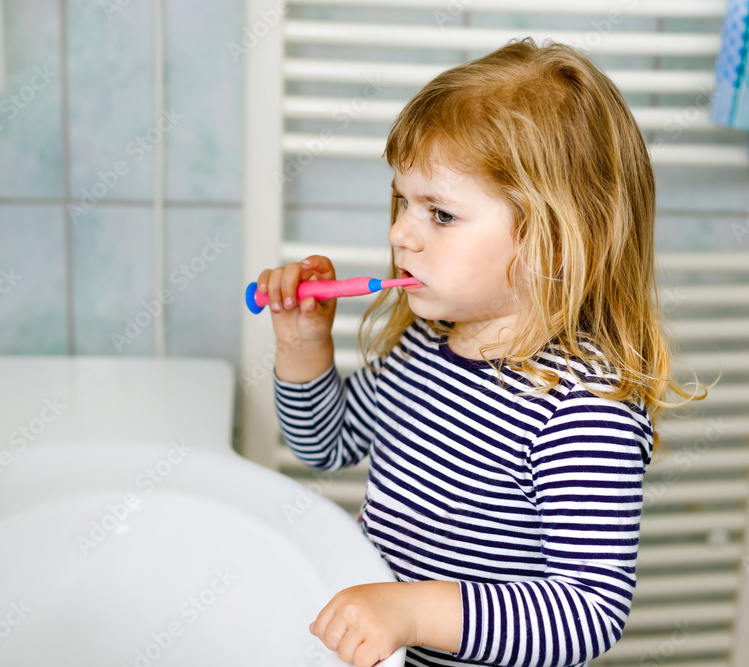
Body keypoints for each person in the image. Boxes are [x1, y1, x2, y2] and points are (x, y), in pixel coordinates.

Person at [255, 37, 707, 667]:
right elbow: (323, 446)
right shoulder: (427, 345)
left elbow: (590, 609)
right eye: (402, 203)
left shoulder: (581, 411)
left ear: (551, 240)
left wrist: (410, 609)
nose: (398, 234)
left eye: (439, 214)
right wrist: (303, 344)